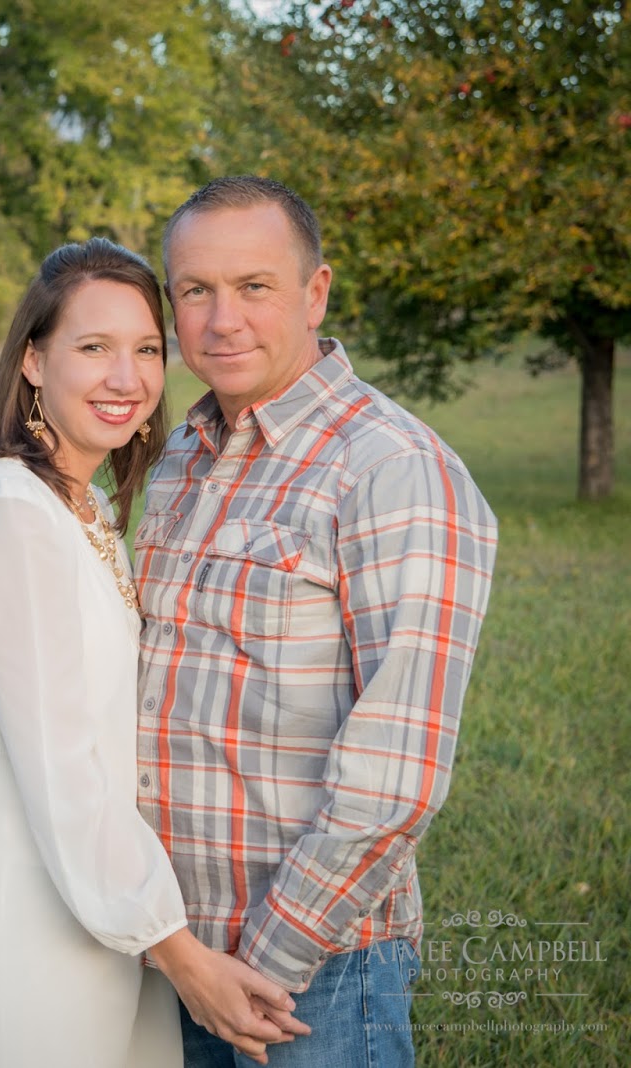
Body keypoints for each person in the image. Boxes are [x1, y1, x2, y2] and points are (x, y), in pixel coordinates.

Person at [0, 239, 305, 1067]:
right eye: (94, 347)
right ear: (33, 360)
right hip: (29, 913)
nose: (127, 378)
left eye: (146, 349)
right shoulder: (10, 512)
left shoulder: (83, 507)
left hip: (103, 901)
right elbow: (60, 765)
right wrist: (180, 954)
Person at [136, 175, 499, 1066]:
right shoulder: (180, 453)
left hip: (314, 973)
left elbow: (396, 774)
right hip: (170, 949)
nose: (223, 320)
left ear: (316, 292)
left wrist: (264, 965)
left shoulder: (392, 468)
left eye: (254, 286)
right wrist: (175, 951)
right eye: (196, 290)